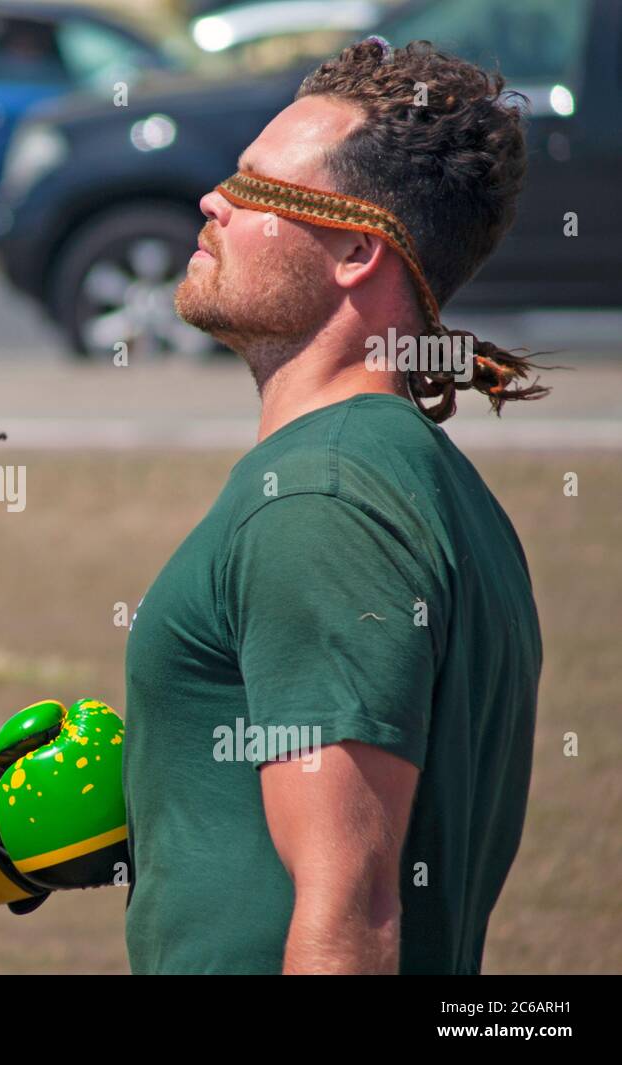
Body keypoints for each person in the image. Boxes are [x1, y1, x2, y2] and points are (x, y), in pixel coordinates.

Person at [123, 38, 547, 974]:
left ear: (358, 251)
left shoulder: (322, 498)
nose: (215, 201)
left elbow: (351, 913)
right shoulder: (420, 476)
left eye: (260, 190)